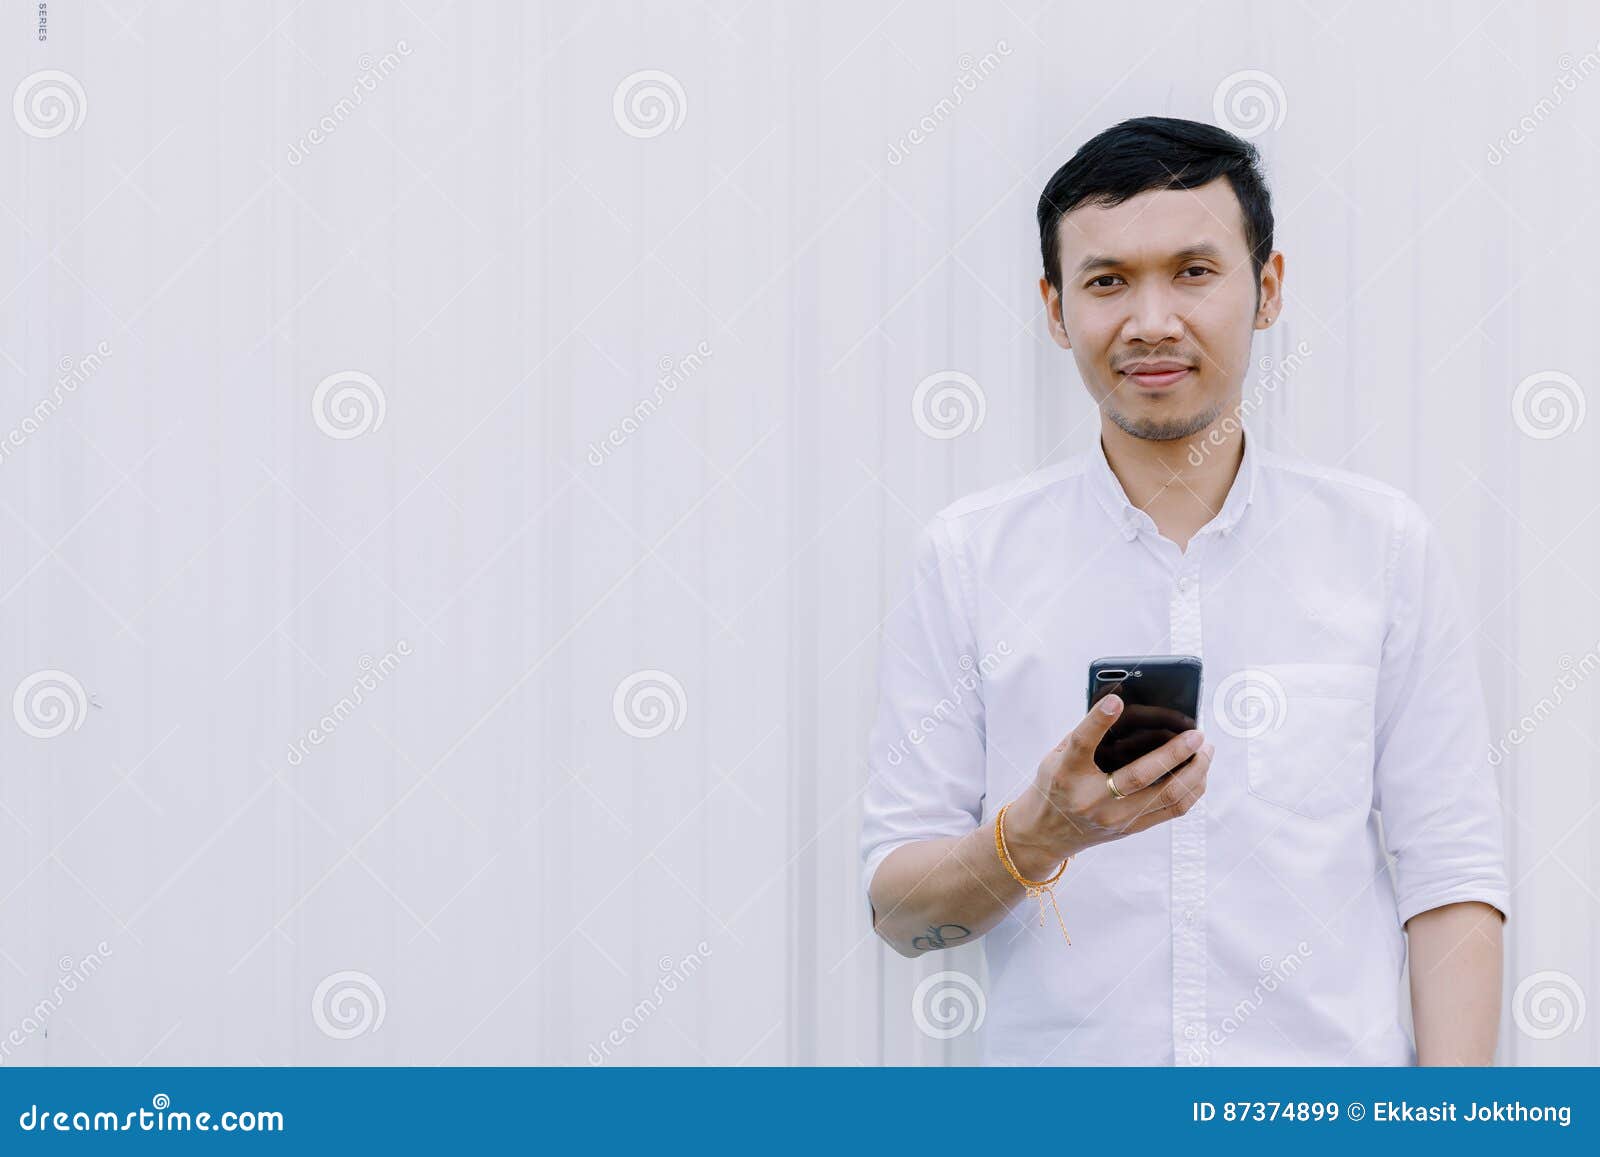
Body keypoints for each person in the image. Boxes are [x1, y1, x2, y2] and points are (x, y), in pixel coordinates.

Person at [859, 116, 1509, 1066]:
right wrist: (1037, 835)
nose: (1151, 320)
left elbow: (1449, 871)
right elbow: (897, 910)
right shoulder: (968, 559)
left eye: (1194, 272)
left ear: (1268, 289)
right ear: (1055, 308)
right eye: (1107, 280)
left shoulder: (1382, 548)